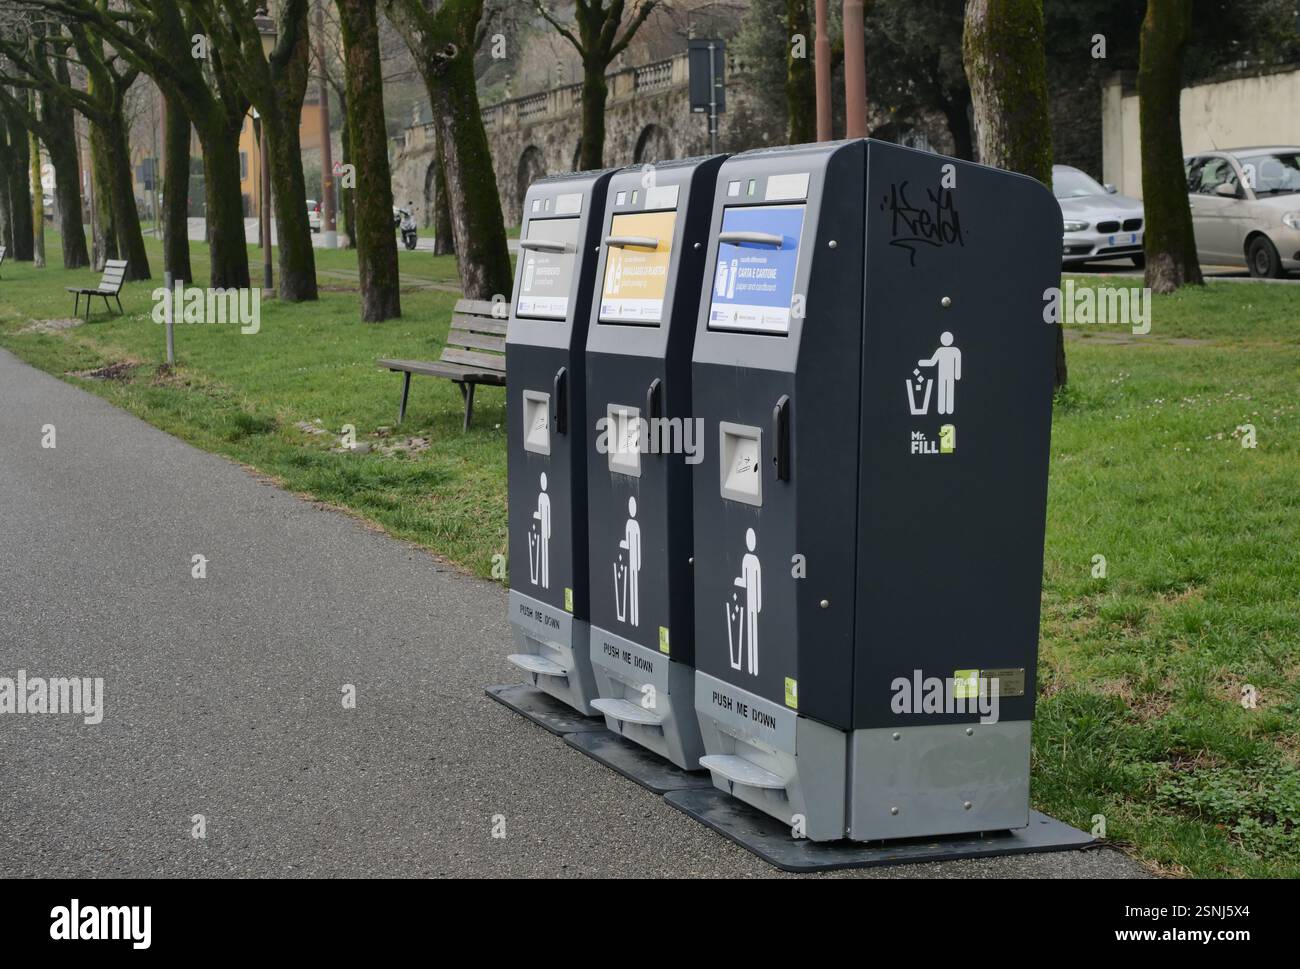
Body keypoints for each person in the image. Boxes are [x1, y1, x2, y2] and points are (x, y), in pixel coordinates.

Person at [733, 527, 761, 675]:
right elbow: (745, 579)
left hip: (753, 599)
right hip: (750, 599)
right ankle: (752, 667)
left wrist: (759, 603)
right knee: (750, 629)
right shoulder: (749, 559)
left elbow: (757, 580)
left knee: (752, 629)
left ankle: (753, 667)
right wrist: (739, 581)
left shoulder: (753, 560)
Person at [918, 331, 961, 415]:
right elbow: (932, 362)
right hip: (942, 374)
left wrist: (957, 375)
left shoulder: (955, 351)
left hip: (950, 375)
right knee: (942, 390)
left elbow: (958, 363)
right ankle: (941, 409)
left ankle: (949, 409)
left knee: (949, 390)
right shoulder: (940, 350)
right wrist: (922, 363)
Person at [617, 496, 641, 625]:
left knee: (634, 586)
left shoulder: (634, 525)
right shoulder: (631, 524)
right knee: (632, 586)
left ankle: (634, 618)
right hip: (631, 560)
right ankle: (633, 618)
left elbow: (636, 543)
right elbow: (629, 541)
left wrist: (638, 563)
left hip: (634, 559)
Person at [533, 473, 551, 588]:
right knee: (544, 552)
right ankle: (545, 582)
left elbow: (547, 513)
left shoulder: (544, 497)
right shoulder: (543, 497)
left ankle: (545, 581)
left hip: (545, 528)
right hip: (543, 527)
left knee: (545, 552)